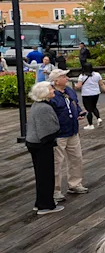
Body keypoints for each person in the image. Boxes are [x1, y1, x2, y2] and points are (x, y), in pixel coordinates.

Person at [48, 68, 86, 199]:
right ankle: (55, 190)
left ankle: (75, 184)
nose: (67, 78)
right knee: (56, 162)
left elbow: (75, 103)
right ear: (56, 80)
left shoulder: (69, 91)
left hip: (73, 130)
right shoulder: (51, 94)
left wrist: (79, 112)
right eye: (64, 76)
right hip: (59, 133)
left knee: (76, 158)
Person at [26, 81, 63, 215]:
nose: (53, 90)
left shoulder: (37, 105)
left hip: (34, 143)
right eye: (50, 89)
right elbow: (47, 131)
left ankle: (40, 202)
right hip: (42, 145)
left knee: (41, 175)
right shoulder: (44, 108)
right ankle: (46, 205)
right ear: (44, 93)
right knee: (46, 175)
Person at [77, 61, 105, 130]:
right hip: (96, 93)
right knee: (94, 107)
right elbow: (101, 84)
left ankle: (90, 124)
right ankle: (98, 118)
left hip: (86, 94)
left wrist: (75, 86)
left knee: (88, 109)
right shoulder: (97, 74)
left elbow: (79, 86)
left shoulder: (82, 76)